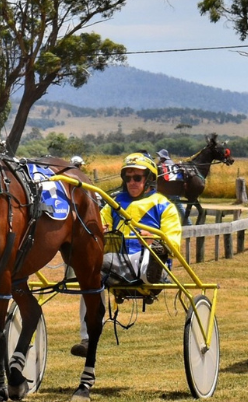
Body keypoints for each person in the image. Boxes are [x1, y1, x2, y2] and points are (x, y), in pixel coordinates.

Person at [71, 152, 183, 357]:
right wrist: (100, 231)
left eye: (137, 178)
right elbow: (99, 225)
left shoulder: (164, 205)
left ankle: (152, 271)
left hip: (146, 258)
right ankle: (87, 339)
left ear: (149, 179)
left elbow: (174, 243)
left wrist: (155, 240)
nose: (132, 182)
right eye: (128, 178)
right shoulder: (113, 203)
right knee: (91, 277)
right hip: (117, 261)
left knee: (149, 256)